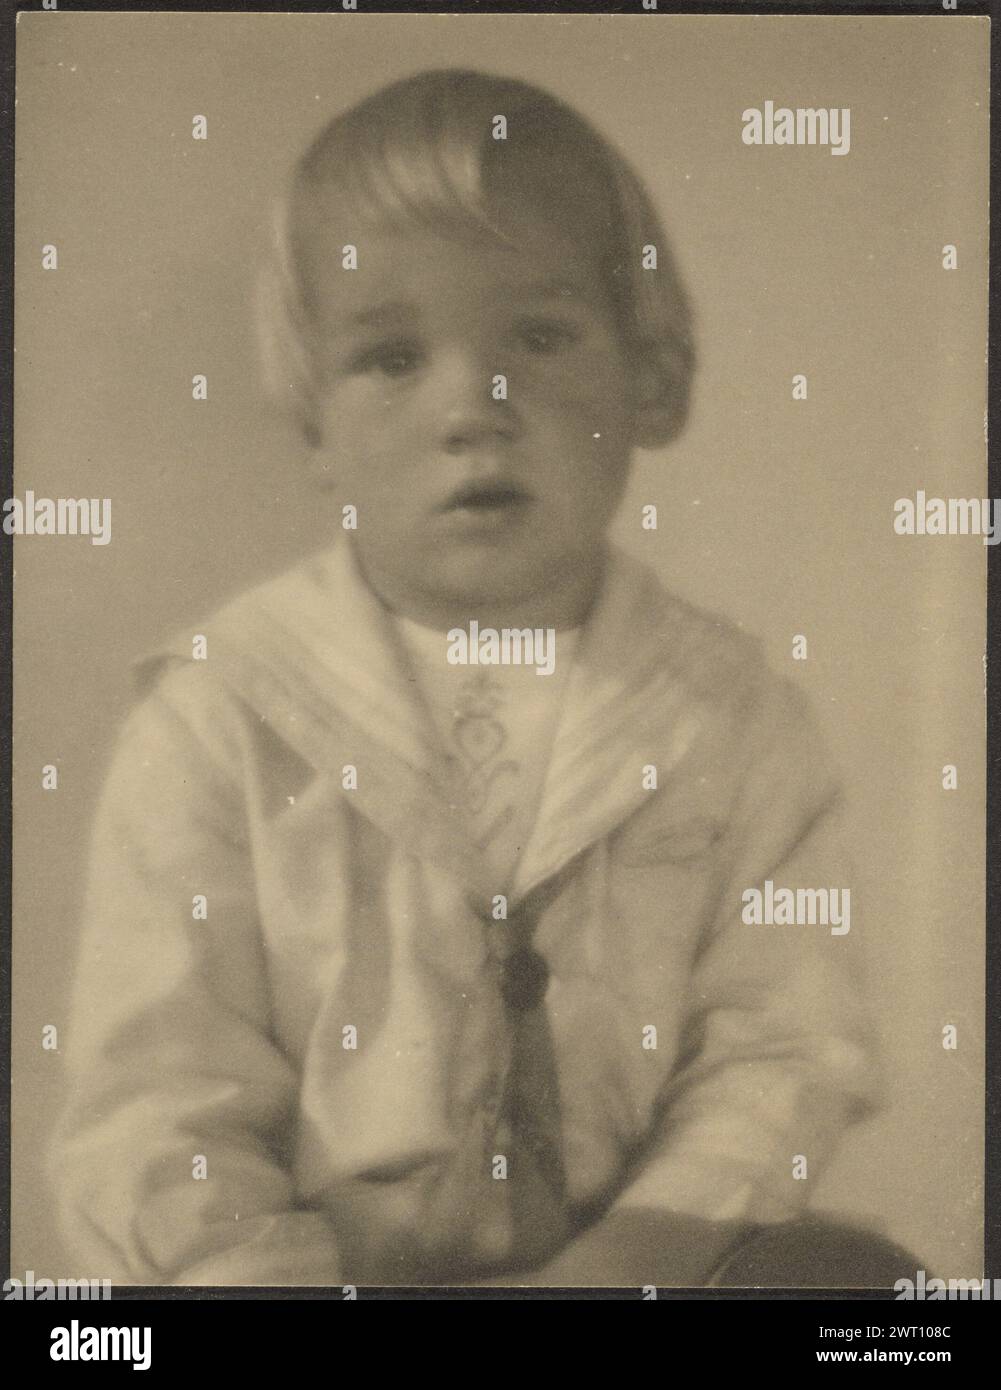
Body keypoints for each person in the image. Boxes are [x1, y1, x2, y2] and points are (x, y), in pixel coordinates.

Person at [51, 68, 905, 1288]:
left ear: (650, 376)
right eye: (392, 357)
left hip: (637, 1265)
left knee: (867, 1291)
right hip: (314, 1276)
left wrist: (624, 1262)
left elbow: (784, 1047)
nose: (475, 406)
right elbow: (157, 1098)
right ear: (314, 423)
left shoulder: (730, 714)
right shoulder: (222, 718)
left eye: (540, 337)